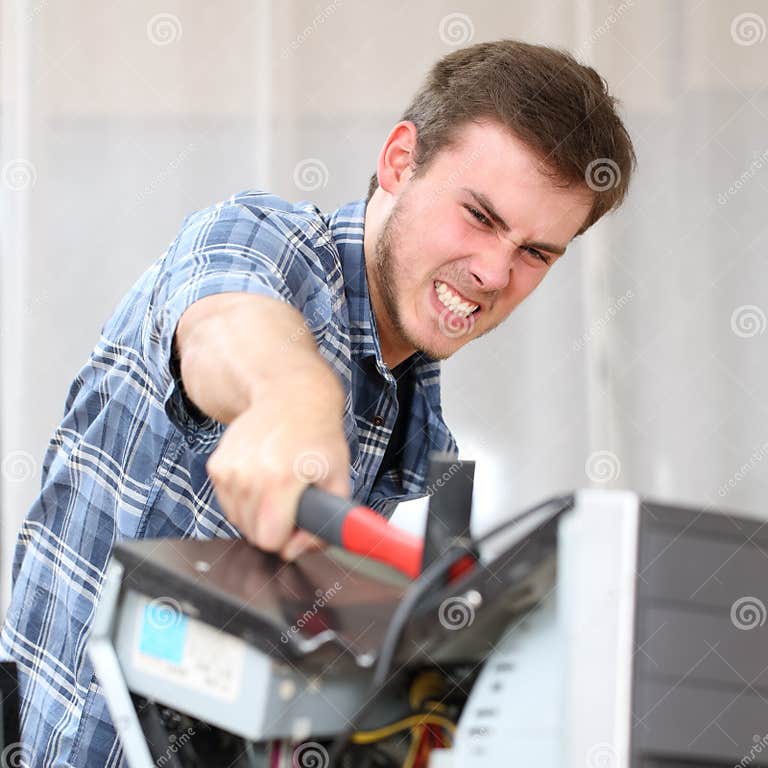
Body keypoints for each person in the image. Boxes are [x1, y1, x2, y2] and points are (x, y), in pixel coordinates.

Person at [1, 39, 636, 766]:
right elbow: (227, 317)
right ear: (401, 160)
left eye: (536, 254)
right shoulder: (261, 244)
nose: (495, 271)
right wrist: (290, 397)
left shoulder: (413, 417)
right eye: (479, 217)